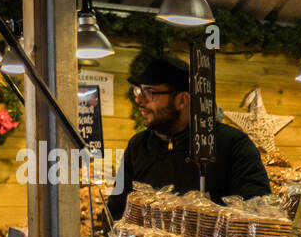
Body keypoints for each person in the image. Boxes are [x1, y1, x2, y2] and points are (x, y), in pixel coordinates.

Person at [106, 54, 271, 222]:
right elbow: (116, 209)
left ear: (182, 101)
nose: (139, 100)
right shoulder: (138, 145)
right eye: (139, 90)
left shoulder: (233, 144)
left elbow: (257, 210)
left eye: (150, 92)